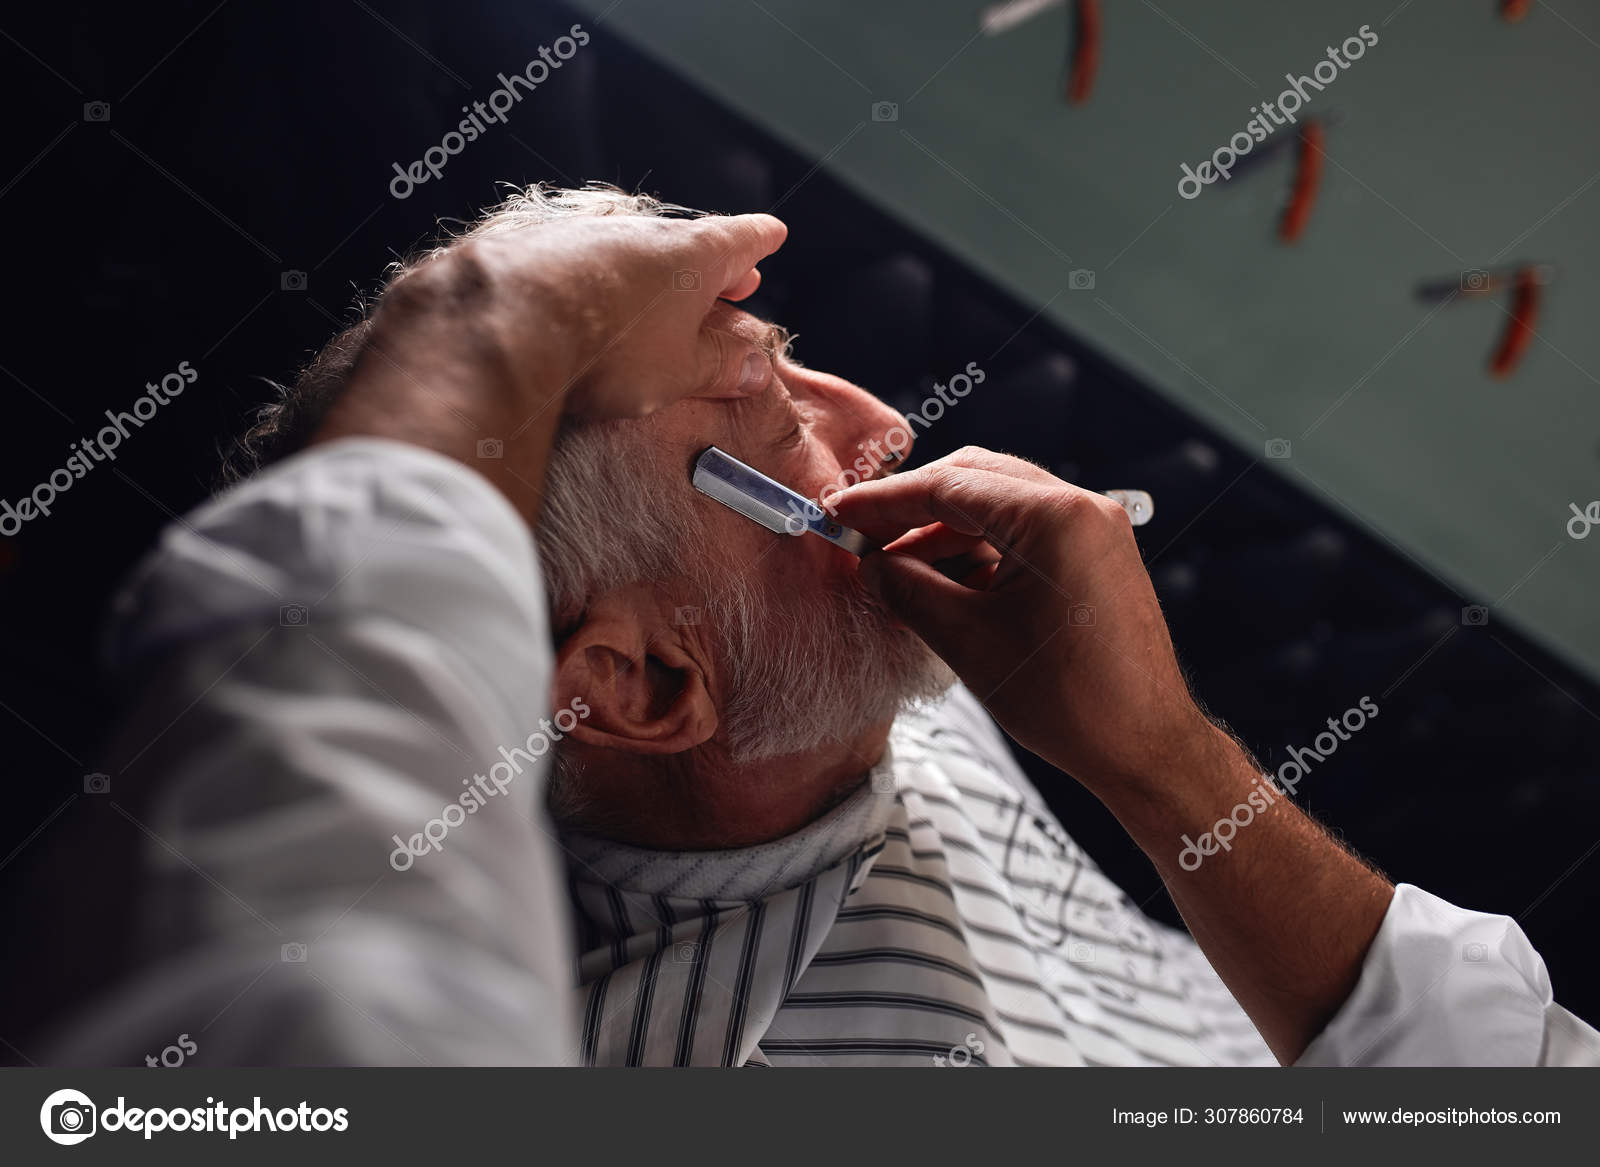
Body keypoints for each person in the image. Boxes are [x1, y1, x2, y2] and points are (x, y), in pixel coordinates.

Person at [48, 185, 1599, 1066]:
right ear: (644, 679)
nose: (879, 426)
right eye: (758, 414)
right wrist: (484, 328)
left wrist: (1166, 766)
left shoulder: (824, 670)